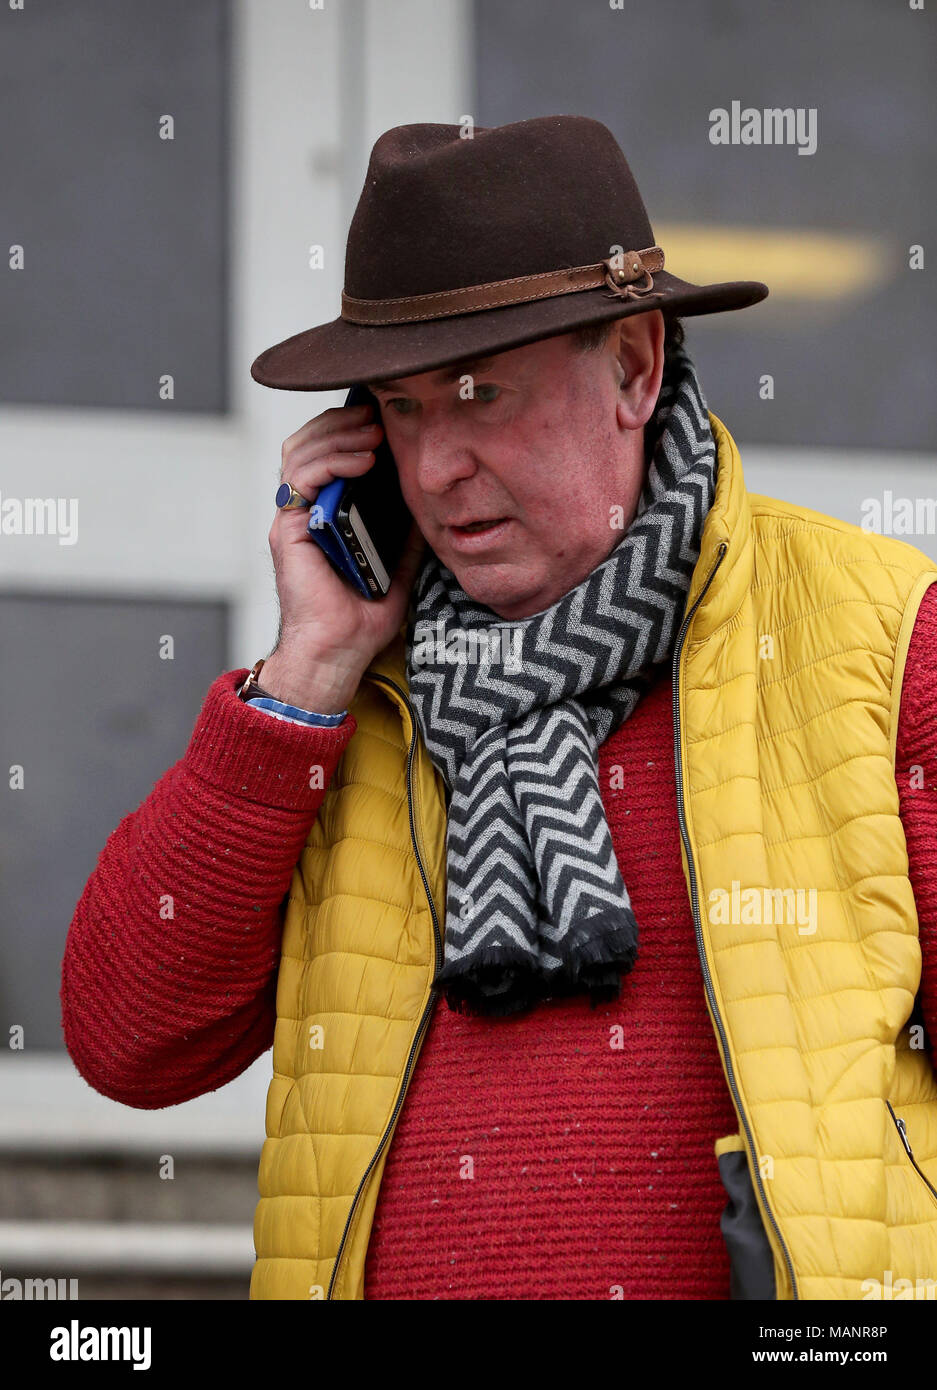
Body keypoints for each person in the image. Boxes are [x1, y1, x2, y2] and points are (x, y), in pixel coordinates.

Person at [62, 115, 937, 1302]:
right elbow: (127, 1041)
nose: (432, 470)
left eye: (478, 394)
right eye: (401, 409)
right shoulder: (354, 690)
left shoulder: (875, 637)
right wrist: (307, 671)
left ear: (633, 366)